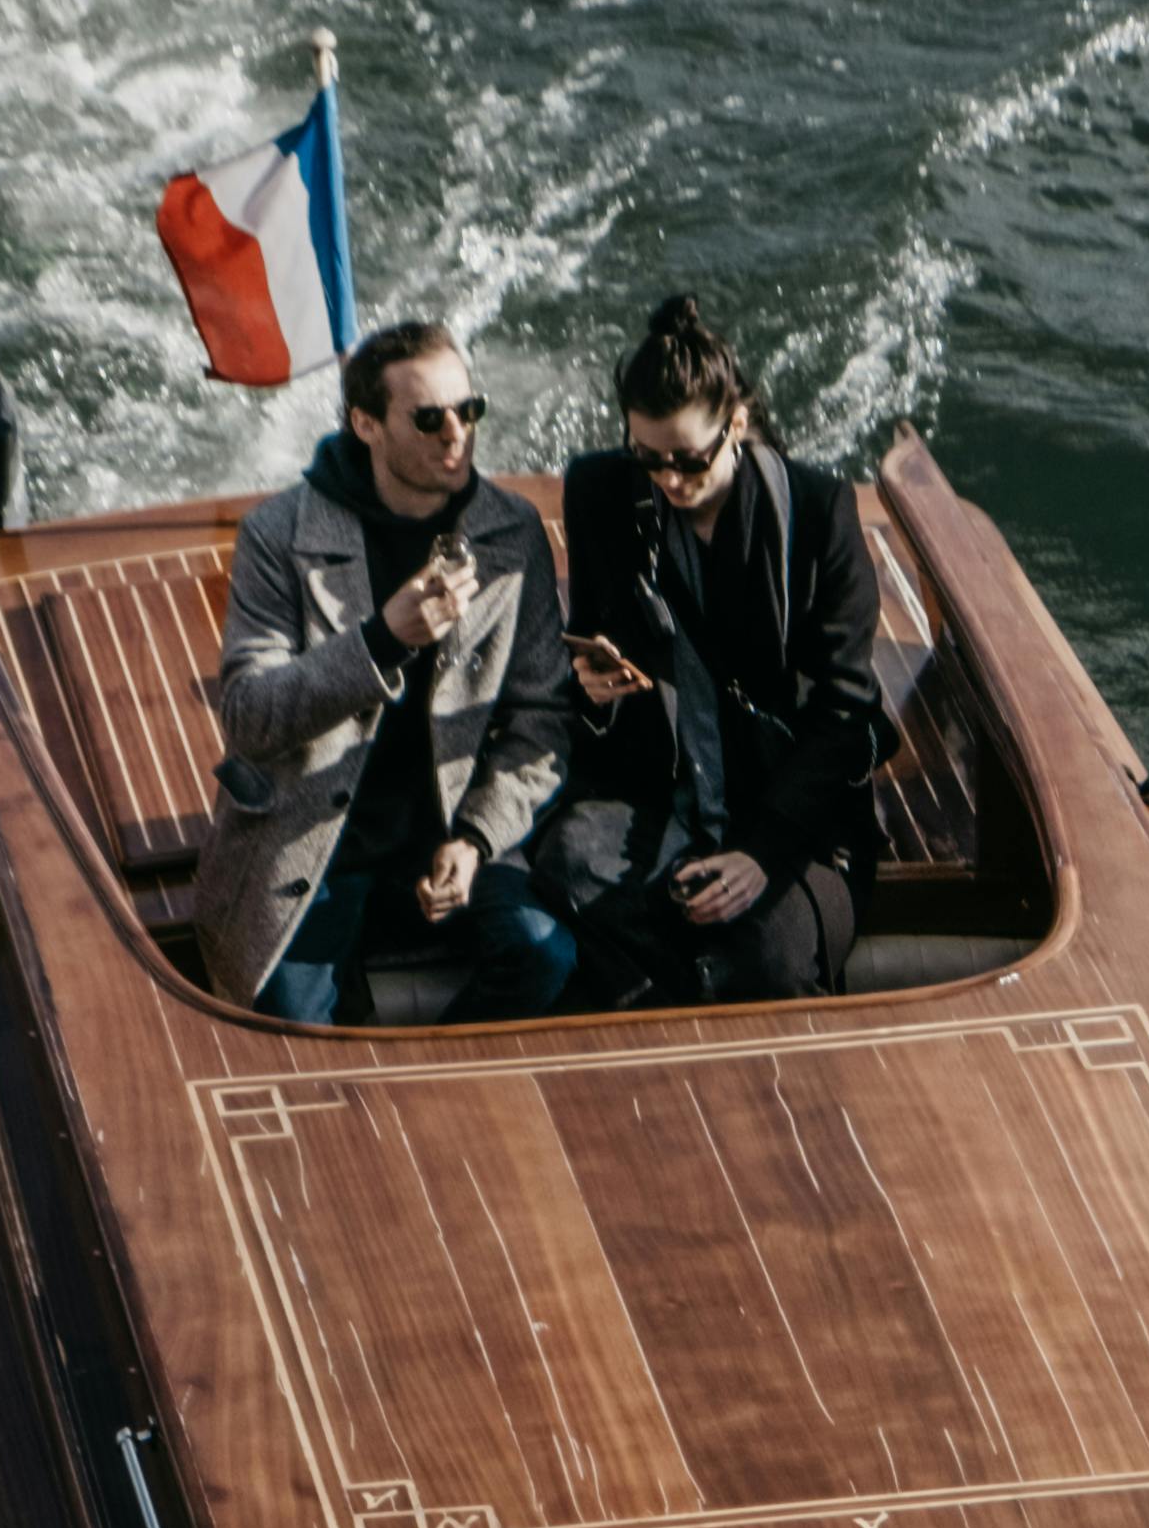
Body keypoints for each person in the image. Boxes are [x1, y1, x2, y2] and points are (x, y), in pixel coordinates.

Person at [195, 317, 575, 1025]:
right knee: (284, 1020)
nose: (456, 434)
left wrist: (478, 839)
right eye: (429, 418)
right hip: (317, 837)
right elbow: (249, 717)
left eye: (470, 410)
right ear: (366, 424)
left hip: (447, 835)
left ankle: (436, 1074)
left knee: (543, 956)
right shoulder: (280, 535)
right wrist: (379, 641)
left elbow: (540, 722)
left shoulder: (511, 531)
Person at [544, 286, 884, 1009]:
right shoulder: (601, 493)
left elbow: (842, 717)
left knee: (768, 961)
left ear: (736, 425)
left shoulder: (820, 515)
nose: (667, 480)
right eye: (648, 459)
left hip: (792, 817)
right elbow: (589, 658)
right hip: (660, 799)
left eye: (689, 461)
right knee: (565, 859)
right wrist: (591, 690)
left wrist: (763, 856)